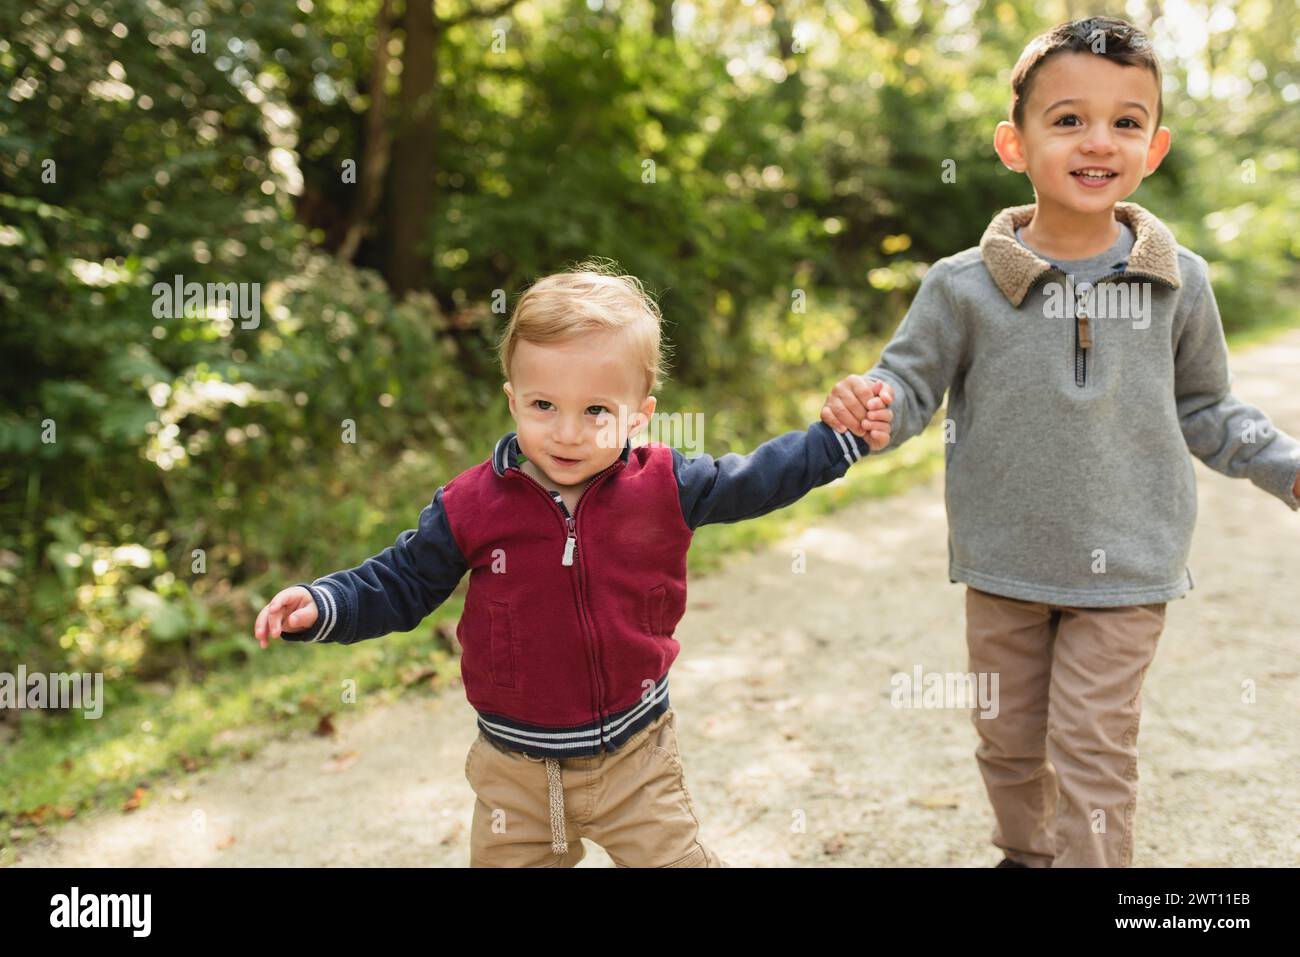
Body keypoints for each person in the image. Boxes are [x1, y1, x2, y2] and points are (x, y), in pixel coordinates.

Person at [820, 16, 1300, 867]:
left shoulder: (1179, 281)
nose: (1099, 141)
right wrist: (875, 407)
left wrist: (1286, 466)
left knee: (1090, 744)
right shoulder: (962, 286)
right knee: (1006, 740)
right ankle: (1024, 852)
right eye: (1069, 118)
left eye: (1126, 121)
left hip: (1131, 564)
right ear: (1016, 143)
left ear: (1154, 148)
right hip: (1002, 560)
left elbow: (1209, 409)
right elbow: (909, 386)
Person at [255, 260, 893, 866]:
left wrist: (836, 438)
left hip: (634, 760)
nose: (566, 432)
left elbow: (757, 478)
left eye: (596, 411)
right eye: (543, 406)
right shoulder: (472, 504)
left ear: (639, 417)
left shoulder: (666, 484)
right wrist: (325, 602)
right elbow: (403, 580)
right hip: (514, 774)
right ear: (513, 401)